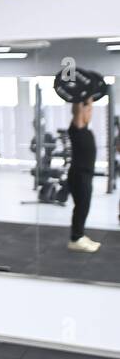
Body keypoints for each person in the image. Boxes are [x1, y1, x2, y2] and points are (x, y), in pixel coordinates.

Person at [67, 99, 100, 252]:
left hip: (85, 175)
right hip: (79, 176)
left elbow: (83, 109)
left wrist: (89, 99)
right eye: (89, 111)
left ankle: (79, 235)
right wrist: (81, 97)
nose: (90, 113)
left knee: (84, 206)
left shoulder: (85, 129)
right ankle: (75, 239)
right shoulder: (77, 128)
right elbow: (78, 111)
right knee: (81, 207)